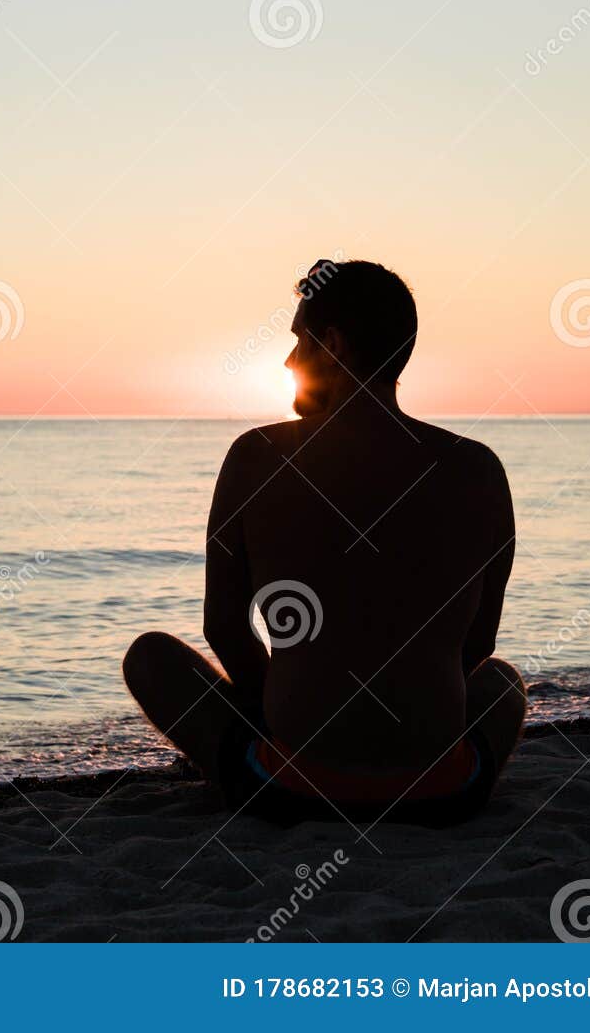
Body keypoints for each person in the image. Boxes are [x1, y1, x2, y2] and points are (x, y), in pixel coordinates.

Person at [123, 259, 526, 828]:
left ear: (332, 345)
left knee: (152, 657)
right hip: (439, 793)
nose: (288, 361)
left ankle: (288, 754)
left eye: (298, 341)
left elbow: (225, 629)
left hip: (288, 788)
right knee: (503, 685)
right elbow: (477, 642)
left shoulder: (255, 457)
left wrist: (292, 710)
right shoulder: (479, 469)